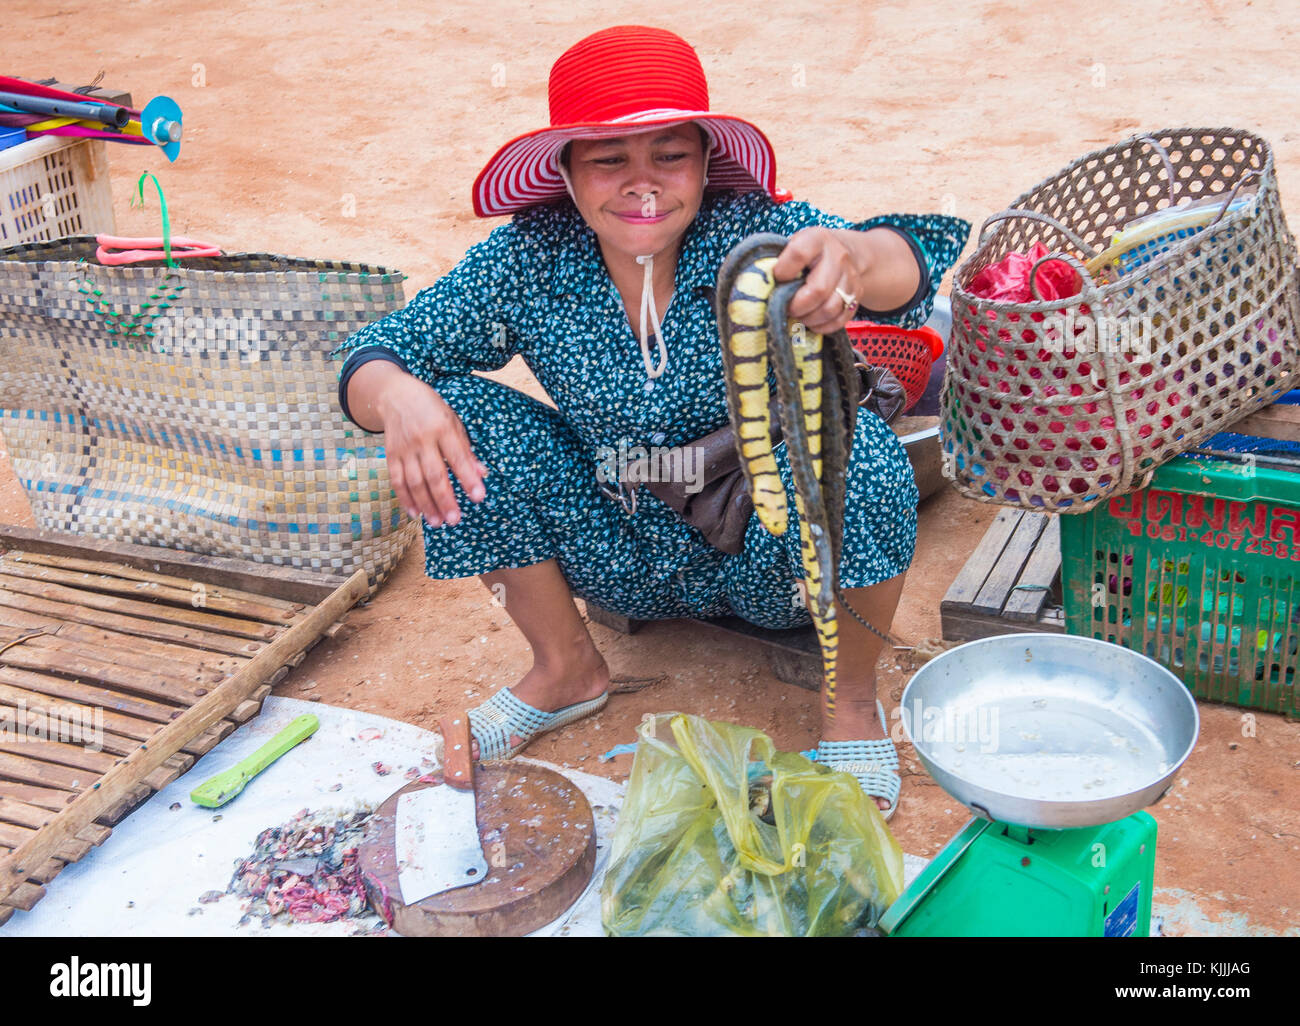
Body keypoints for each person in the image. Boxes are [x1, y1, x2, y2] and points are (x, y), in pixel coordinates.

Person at [332, 25, 969, 819]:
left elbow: (903, 261)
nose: (642, 184)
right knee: (450, 406)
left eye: (670, 155)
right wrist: (394, 392)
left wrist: (852, 257)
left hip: (769, 552)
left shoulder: (753, 234)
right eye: (608, 158)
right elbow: (374, 352)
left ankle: (849, 707)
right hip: (615, 543)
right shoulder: (531, 257)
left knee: (861, 449)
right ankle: (567, 668)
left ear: (706, 163)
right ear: (565, 172)